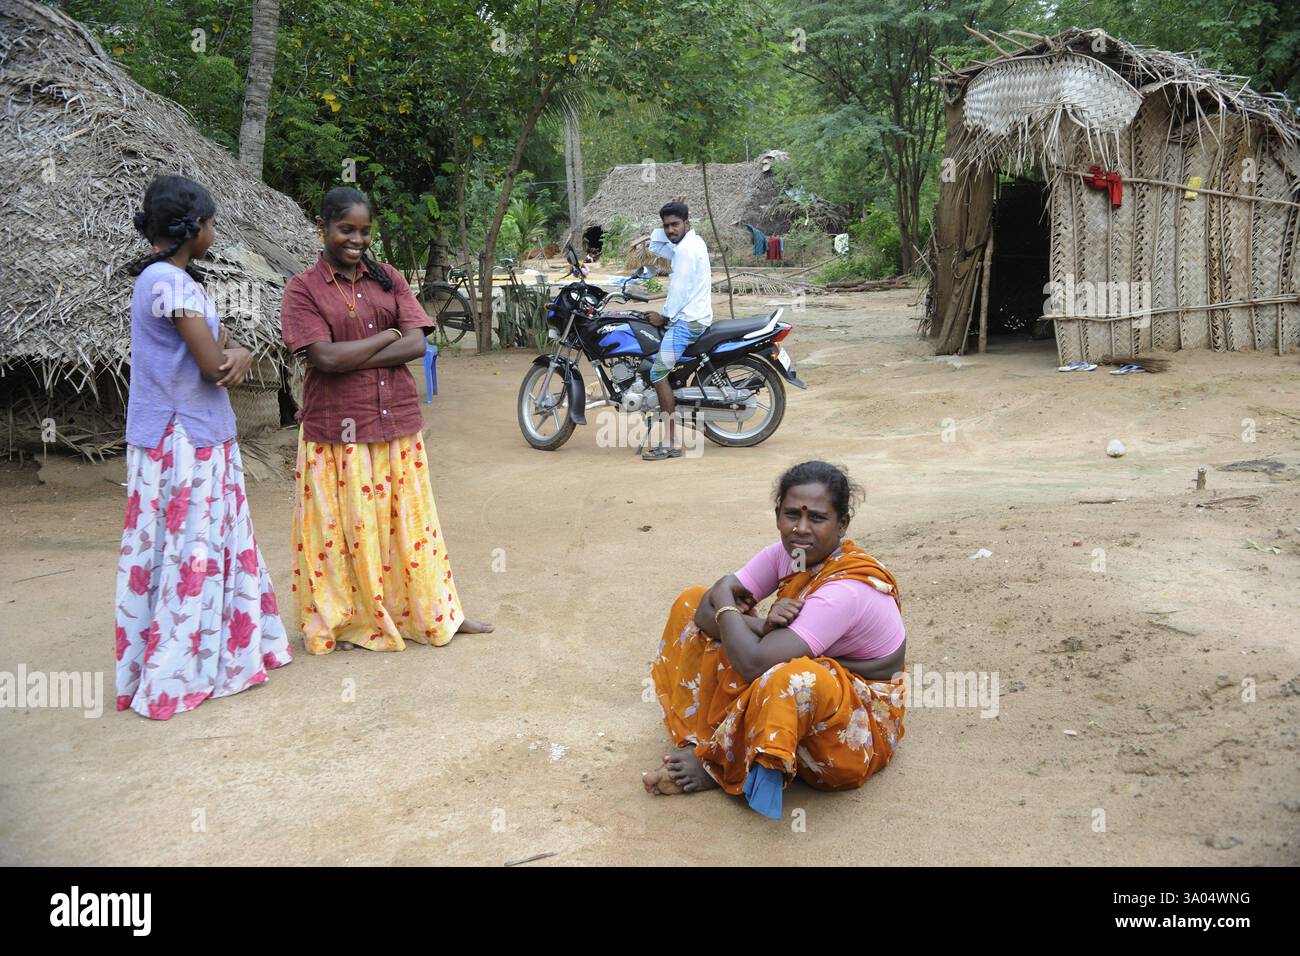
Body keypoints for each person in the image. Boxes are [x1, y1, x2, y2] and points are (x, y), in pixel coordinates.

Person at [280, 187, 492, 654]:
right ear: (323, 229)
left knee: (408, 529)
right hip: (339, 432)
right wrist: (389, 336)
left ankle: (431, 613)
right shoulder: (303, 289)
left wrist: (358, 350)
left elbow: (417, 345)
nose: (357, 240)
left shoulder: (388, 278)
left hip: (396, 423)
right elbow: (322, 358)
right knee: (346, 531)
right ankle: (351, 620)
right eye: (346, 229)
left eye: (364, 231)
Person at [115, 174, 292, 720]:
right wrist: (237, 356)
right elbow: (215, 365)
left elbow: (214, 353)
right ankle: (176, 675)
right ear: (192, 229)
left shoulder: (170, 281)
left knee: (194, 547)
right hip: (183, 441)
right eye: (211, 224)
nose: (214, 232)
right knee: (191, 550)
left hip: (194, 436)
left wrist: (230, 353)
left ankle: (212, 658)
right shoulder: (168, 284)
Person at [643, 461, 906, 817]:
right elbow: (705, 612)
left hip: (855, 713)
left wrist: (727, 602)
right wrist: (761, 624)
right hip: (796, 662)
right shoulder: (786, 555)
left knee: (788, 678)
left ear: (842, 524)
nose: (801, 529)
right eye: (790, 515)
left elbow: (752, 660)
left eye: (817, 517)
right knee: (691, 599)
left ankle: (721, 763)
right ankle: (706, 740)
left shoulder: (845, 590)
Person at [642, 200, 712, 460]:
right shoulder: (692, 243)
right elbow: (656, 246)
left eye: (675, 224)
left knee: (657, 373)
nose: (670, 230)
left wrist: (664, 316)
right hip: (696, 317)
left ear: (687, 223)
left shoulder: (685, 252)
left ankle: (671, 442)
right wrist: (666, 228)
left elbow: (679, 289)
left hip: (686, 322)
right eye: (666, 225)